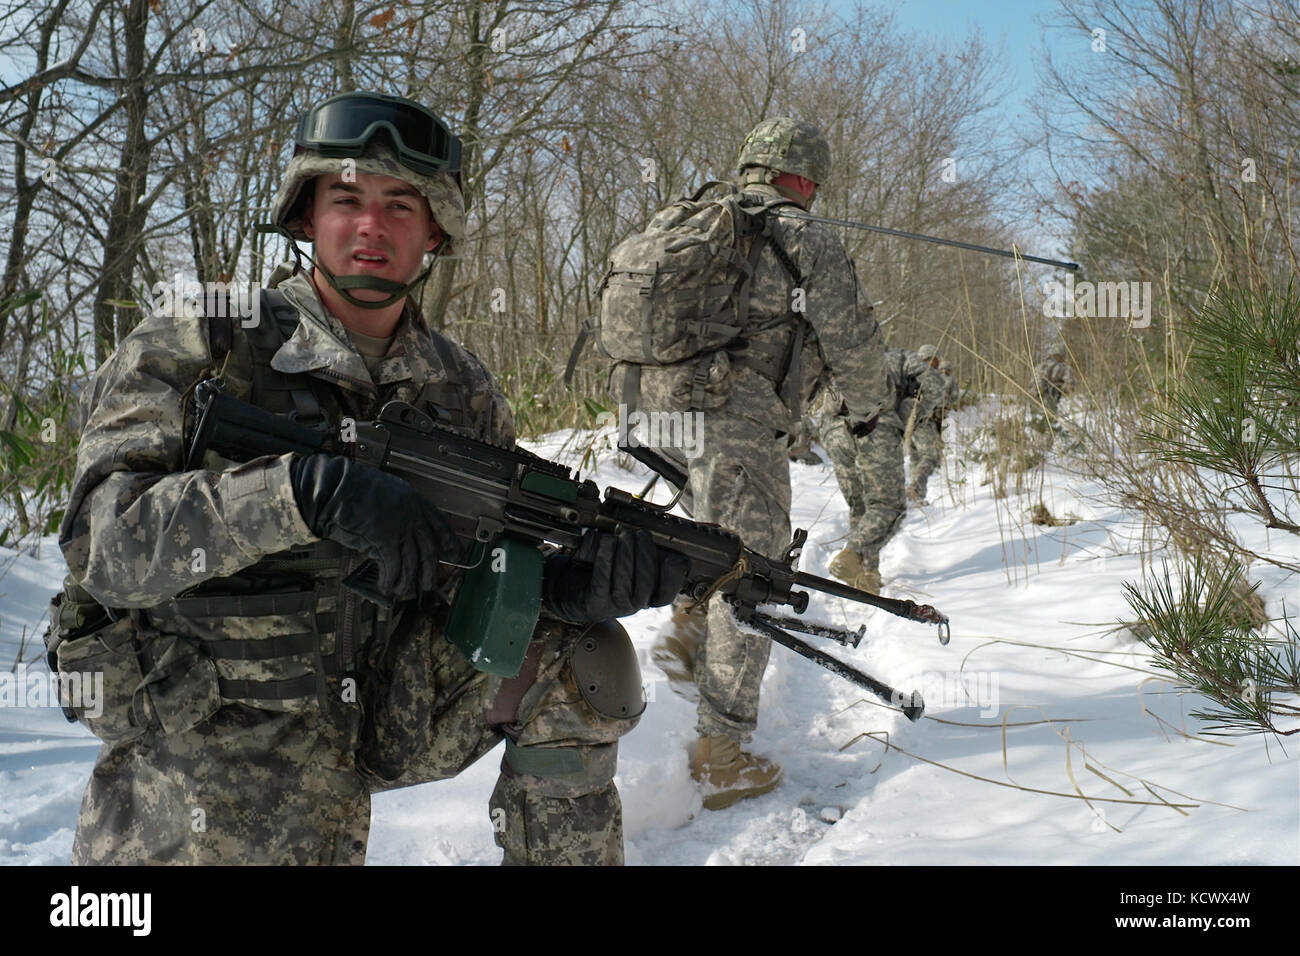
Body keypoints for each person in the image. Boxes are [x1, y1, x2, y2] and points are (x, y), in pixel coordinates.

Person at [56, 91, 683, 865]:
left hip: (379, 705)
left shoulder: (460, 388)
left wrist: (557, 590)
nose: (369, 228)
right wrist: (300, 495)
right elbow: (101, 544)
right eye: (346, 200)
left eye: (399, 207)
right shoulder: (206, 339)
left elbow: (461, 581)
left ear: (433, 232)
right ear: (306, 216)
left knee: (582, 654)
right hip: (208, 721)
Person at [637, 117, 889, 809]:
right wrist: (869, 406)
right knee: (757, 573)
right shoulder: (806, 236)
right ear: (804, 178)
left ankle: (686, 643)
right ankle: (721, 752)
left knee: (711, 541)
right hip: (733, 417)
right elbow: (853, 335)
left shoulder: (694, 217)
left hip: (655, 414)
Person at [824, 346, 946, 592]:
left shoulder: (847, 359)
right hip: (875, 429)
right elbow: (935, 384)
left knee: (862, 506)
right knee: (889, 505)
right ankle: (852, 553)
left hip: (834, 432)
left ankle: (867, 575)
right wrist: (915, 413)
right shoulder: (902, 358)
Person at [905, 344, 957, 504]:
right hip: (924, 421)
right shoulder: (930, 376)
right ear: (930, 359)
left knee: (916, 458)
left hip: (908, 423)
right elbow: (942, 400)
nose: (938, 362)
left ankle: (916, 497)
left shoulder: (908, 374)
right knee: (931, 456)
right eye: (936, 359)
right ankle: (914, 489)